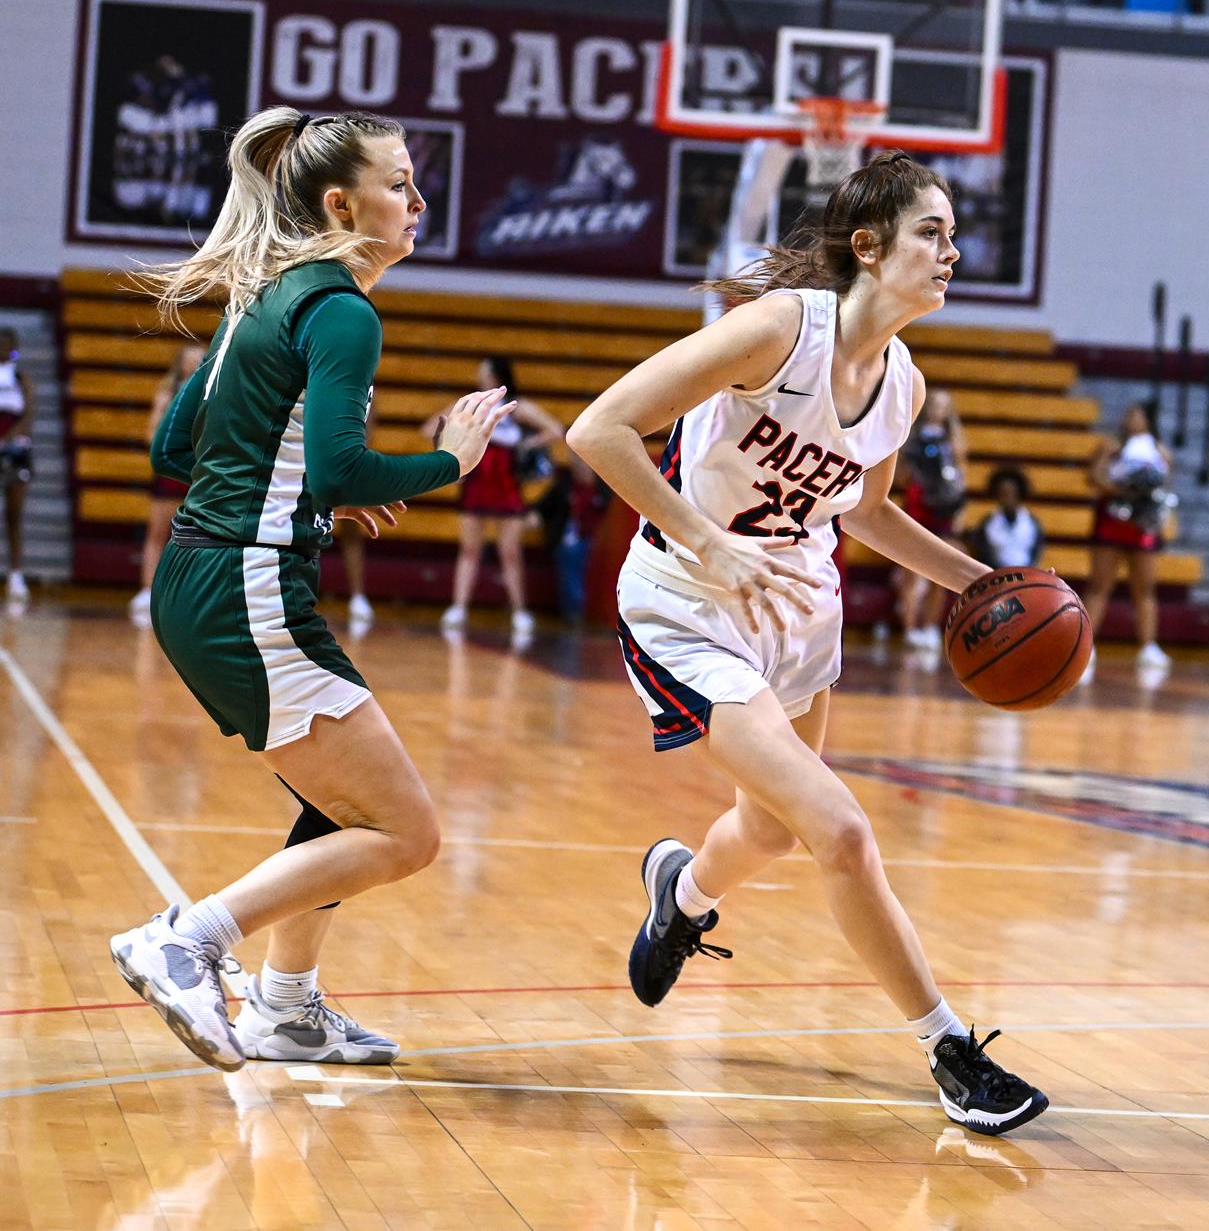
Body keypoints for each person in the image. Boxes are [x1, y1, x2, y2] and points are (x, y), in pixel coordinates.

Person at [564, 150, 1049, 1137]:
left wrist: (988, 585)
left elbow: (864, 512)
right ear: (867, 246)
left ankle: (679, 896)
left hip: (797, 607)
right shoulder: (779, 331)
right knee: (839, 829)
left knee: (775, 828)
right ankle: (949, 1050)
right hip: (686, 602)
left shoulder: (901, 382)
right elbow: (599, 429)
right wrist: (708, 540)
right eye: (932, 233)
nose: (953, 252)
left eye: (954, 235)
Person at [107, 106, 513, 1073]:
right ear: (342, 202)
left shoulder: (266, 296)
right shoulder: (340, 310)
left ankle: (287, 1009)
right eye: (400, 184)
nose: (419, 201)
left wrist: (304, 507)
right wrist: (446, 462)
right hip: (247, 585)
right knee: (407, 832)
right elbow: (336, 466)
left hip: (204, 574)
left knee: (345, 803)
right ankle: (190, 938)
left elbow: (177, 449)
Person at [432, 356, 566, 639]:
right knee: (469, 549)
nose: (479, 375)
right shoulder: (471, 406)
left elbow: (556, 430)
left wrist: (527, 444)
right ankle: (458, 608)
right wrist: (451, 442)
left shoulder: (516, 408)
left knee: (510, 552)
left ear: (496, 376)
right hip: (478, 481)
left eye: (484, 371)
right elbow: (433, 426)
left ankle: (520, 612)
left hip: (506, 484)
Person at [1081, 403, 1175, 678]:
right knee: (1099, 585)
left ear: (1148, 420)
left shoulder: (1160, 451)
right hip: (1112, 518)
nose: (1129, 419)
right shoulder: (1111, 446)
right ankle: (1085, 644)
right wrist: (1120, 487)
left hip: (1142, 522)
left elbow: (1165, 483)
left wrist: (1144, 490)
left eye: (1136, 414)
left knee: (1145, 587)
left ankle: (1148, 646)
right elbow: (1093, 478)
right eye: (1127, 414)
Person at [130, 344, 207, 623]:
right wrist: (174, 446)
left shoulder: (213, 394)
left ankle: (188, 598)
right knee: (157, 533)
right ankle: (147, 591)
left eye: (200, 359)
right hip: (170, 471)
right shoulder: (167, 394)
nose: (195, 363)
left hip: (199, 473)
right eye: (190, 359)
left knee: (196, 538)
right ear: (180, 364)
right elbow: (151, 434)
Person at [894, 387, 968, 650]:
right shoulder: (912, 435)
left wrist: (959, 511)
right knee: (911, 567)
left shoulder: (953, 439)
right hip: (918, 500)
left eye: (943, 405)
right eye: (934, 404)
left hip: (945, 506)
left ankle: (930, 627)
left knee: (941, 567)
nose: (938, 409)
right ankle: (910, 628)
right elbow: (900, 475)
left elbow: (961, 478)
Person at [0, 330, 33, 603]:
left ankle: (15, 575)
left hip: (15, 450)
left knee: (14, 514)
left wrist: (8, 438)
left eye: (7, 346)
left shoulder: (22, 380)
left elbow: (28, 416)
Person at [969, 466, 1043, 570]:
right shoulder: (987, 522)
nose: (1007, 497)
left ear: (1018, 493)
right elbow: (981, 552)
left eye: (1011, 492)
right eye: (1003, 493)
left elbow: (1036, 552)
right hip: (995, 575)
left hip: (1026, 574)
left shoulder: (1032, 523)